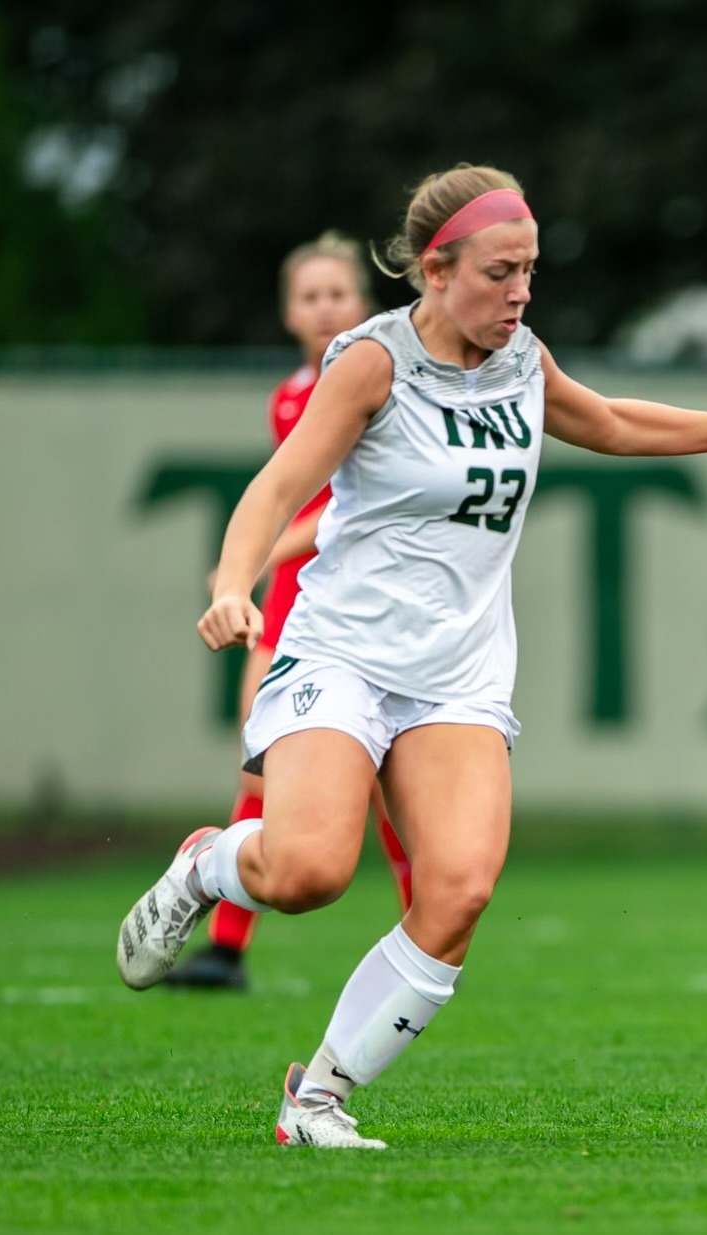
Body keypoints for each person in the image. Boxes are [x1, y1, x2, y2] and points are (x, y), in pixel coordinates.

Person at [116, 164, 707, 1149]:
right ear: (435, 270)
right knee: (308, 871)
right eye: (499, 272)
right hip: (344, 650)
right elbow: (274, 491)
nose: (520, 292)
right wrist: (232, 584)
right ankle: (205, 865)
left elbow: (602, 419)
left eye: (529, 271)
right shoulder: (370, 362)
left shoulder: (521, 356)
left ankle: (316, 1099)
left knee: (457, 892)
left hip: (458, 674)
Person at [166, 233, 415, 990]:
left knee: (383, 779)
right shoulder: (287, 393)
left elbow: (347, 502)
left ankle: (427, 926)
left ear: (362, 302)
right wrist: (261, 564)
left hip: (355, 594)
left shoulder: (375, 378)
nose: (325, 307)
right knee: (264, 755)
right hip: (294, 599)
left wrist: (263, 552)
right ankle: (228, 946)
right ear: (287, 311)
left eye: (337, 293)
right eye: (310, 296)